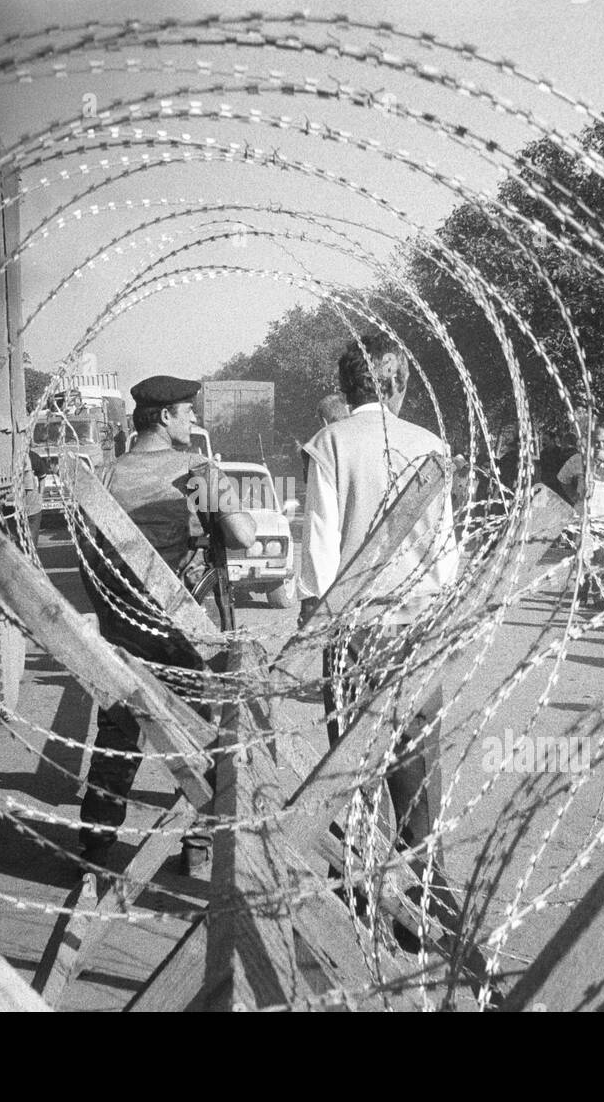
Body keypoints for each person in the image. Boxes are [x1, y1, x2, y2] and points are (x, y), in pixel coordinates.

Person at [77, 375, 256, 867]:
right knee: (202, 738)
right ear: (164, 418)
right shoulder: (196, 472)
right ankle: (197, 844)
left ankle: (95, 845)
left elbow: (87, 559)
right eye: (187, 412)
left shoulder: (106, 476)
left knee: (117, 737)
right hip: (188, 634)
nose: (193, 420)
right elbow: (242, 535)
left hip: (127, 632)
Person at [298, 333, 459, 878]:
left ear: (345, 385)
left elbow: (319, 551)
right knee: (416, 767)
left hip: (353, 630)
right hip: (418, 624)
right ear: (399, 384)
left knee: (354, 774)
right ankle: (422, 898)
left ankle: (358, 892)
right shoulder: (432, 446)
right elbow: (446, 549)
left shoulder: (330, 444)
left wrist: (310, 626)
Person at [557, 423, 604, 606]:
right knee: (582, 557)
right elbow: (562, 478)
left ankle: (601, 597)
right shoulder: (579, 459)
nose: (600, 446)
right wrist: (573, 496)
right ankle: (580, 594)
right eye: (596, 442)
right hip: (585, 517)